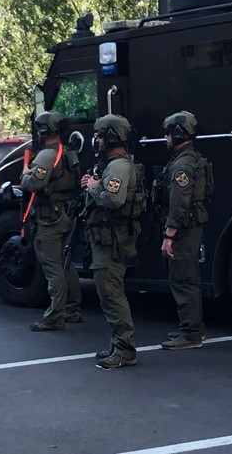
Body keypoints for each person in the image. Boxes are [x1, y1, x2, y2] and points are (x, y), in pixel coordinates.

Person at [84, 114, 144, 370]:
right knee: (107, 292)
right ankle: (118, 343)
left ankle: (125, 349)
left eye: (99, 135)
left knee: (111, 293)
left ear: (110, 137)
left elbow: (113, 199)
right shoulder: (112, 165)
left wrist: (94, 187)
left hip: (113, 241)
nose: (96, 140)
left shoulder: (118, 167)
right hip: (106, 239)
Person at [155, 111, 212, 351]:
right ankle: (190, 327)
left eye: (168, 133)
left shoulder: (182, 165)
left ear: (178, 133)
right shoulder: (190, 159)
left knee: (183, 278)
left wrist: (169, 235)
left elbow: (179, 202)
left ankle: (191, 333)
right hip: (190, 226)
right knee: (187, 277)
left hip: (184, 229)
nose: (166, 138)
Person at [22, 111, 83, 331]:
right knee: (66, 265)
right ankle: (73, 309)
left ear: (45, 130)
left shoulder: (46, 156)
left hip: (50, 218)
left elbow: (34, 184)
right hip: (65, 213)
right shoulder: (67, 153)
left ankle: (54, 316)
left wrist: (25, 174)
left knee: (52, 267)